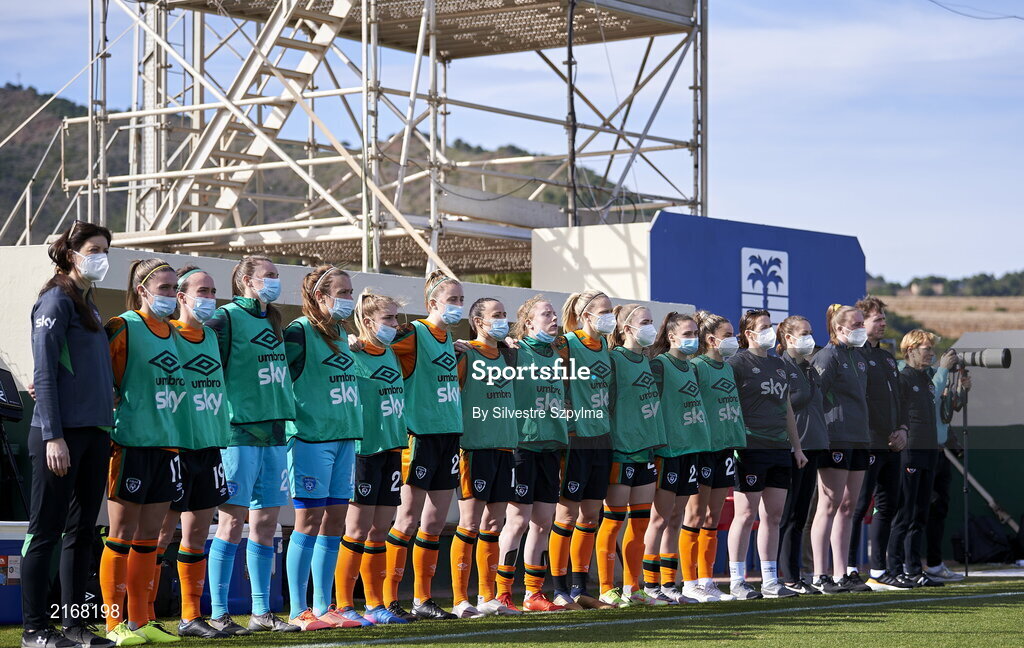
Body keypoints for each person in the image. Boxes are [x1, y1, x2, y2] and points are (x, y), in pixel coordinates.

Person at [22, 221, 115, 648]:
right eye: (94, 248)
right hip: (58, 436)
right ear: (71, 252)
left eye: (105, 248)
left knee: (81, 533)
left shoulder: (88, 303)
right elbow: (42, 372)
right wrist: (54, 436)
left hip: (94, 433)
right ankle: (34, 629)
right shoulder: (56, 299)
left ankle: (75, 626)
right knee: (45, 532)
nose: (101, 255)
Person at [206, 256, 298, 634]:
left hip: (276, 433)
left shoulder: (274, 319)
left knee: (267, 524)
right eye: (269, 276)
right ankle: (219, 613)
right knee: (230, 524)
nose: (275, 281)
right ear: (246, 280)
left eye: (277, 275)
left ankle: (261, 612)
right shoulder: (225, 318)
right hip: (239, 433)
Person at [100, 259, 187, 645]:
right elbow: (98, 376)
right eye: (165, 288)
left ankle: (141, 620)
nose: (170, 295)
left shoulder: (176, 333)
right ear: (142, 290)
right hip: (131, 443)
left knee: (151, 537)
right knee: (120, 534)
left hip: (168, 444)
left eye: (174, 288)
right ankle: (113, 624)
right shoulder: (123, 326)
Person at [151, 266, 232, 639]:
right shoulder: (167, 335)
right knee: (161, 533)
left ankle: (190, 617)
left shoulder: (213, 337)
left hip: (209, 446)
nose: (210, 298)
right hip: (177, 446)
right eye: (203, 290)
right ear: (181, 297)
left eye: (214, 291)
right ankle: (143, 614)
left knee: (197, 534)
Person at [283, 266, 363, 630]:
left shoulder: (343, 333)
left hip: (345, 436)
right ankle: (298, 610)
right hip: (311, 438)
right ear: (320, 296)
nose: (349, 298)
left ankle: (322, 605)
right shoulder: (298, 332)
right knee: (308, 520)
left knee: (334, 521)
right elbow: (275, 376)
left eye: (350, 292)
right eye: (342, 292)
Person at [383, 270, 465, 620]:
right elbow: (378, 343)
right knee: (407, 517)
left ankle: (423, 598)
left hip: (449, 435)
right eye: (453, 301)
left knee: (434, 520)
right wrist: (357, 340)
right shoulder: (414, 333)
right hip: (419, 436)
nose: (458, 307)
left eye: (461, 300)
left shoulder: (451, 341)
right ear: (432, 303)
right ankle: (387, 598)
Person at [483, 296, 569, 612]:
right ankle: (503, 592)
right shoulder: (515, 352)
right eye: (546, 314)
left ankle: (533, 593)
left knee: (544, 522)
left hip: (550, 445)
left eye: (554, 313)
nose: (553, 317)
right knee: (518, 520)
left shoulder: (557, 354)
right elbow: (483, 352)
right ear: (529, 322)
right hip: (523, 445)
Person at [726, 309, 807, 600]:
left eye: (770, 326)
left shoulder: (779, 364)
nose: (769, 331)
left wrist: (796, 447)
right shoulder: (737, 363)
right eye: (764, 326)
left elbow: (787, 409)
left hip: (779, 447)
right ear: (748, 333)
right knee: (746, 514)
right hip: (750, 446)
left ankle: (770, 580)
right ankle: (737, 580)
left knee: (773, 515)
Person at [449, 298, 519, 618]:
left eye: (505, 315)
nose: (503, 320)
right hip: (474, 448)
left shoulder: (508, 355)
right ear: (478, 322)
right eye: (496, 316)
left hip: (505, 446)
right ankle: (460, 599)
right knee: (470, 523)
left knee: (494, 523)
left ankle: (487, 596)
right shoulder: (465, 354)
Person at [547, 290, 617, 610]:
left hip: (602, 438)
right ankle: (558, 589)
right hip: (576, 439)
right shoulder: (567, 344)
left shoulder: (604, 345)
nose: (609, 316)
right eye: (604, 311)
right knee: (567, 513)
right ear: (586, 315)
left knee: (590, 516)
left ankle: (579, 589)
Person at [346, 290, 412, 624]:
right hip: (365, 450)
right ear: (368, 320)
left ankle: (376, 605)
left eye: (396, 318)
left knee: (380, 530)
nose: (395, 325)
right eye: (388, 318)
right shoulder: (352, 351)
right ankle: (344, 605)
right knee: (356, 529)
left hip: (391, 447)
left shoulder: (391, 352)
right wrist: (351, 341)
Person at [596, 304, 668, 607]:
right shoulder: (614, 359)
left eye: (652, 321)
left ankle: (633, 587)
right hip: (621, 450)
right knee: (613, 521)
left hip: (645, 451)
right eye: (645, 322)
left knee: (640, 523)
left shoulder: (648, 361)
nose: (651, 327)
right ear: (626, 328)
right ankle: (605, 587)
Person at [644, 312, 712, 603]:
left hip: (690, 449)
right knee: (658, 519)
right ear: (671, 337)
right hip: (668, 450)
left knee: (676, 518)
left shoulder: (692, 368)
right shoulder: (660, 365)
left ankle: (671, 584)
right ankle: (649, 584)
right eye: (686, 334)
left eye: (694, 333)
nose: (692, 339)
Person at [808, 304, 872, 594]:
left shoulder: (859, 356)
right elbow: (815, 397)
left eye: (862, 323)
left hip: (859, 437)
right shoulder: (828, 356)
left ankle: (841, 571)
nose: (862, 328)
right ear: (839, 328)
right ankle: (820, 574)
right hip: (836, 438)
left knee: (849, 506)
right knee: (829, 504)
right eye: (857, 324)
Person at [684, 311, 747, 603]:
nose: (734, 339)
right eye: (728, 334)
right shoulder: (696, 367)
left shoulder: (730, 368)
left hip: (725, 448)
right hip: (702, 449)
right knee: (695, 515)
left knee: (714, 516)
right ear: (710, 339)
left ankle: (707, 581)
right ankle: (689, 581)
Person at [849, 297, 910, 591]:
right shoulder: (854, 356)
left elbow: (898, 399)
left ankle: (878, 570)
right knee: (858, 506)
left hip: (893, 444)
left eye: (884, 318)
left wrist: (902, 429)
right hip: (867, 443)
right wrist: (881, 432)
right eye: (877, 319)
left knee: (888, 505)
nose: (883, 323)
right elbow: (860, 402)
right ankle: (847, 569)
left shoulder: (887, 358)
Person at [887, 330, 947, 588]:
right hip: (910, 450)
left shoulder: (927, 379)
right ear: (910, 349)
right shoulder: (902, 378)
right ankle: (894, 567)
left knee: (921, 512)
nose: (931, 353)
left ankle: (914, 569)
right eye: (926, 348)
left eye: (932, 349)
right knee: (905, 512)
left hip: (929, 450)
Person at [776, 315, 830, 594]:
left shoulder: (808, 368)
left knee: (800, 516)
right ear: (788, 338)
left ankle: (796, 574)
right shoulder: (782, 367)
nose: (810, 337)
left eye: (811, 331)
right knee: (787, 516)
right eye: (805, 333)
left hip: (813, 446)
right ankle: (786, 576)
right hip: (792, 447)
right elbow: (786, 405)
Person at [924, 361, 970, 582]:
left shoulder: (936, 375)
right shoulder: (907, 371)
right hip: (919, 450)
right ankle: (902, 564)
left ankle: (934, 563)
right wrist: (942, 371)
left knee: (939, 508)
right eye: (927, 349)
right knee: (912, 510)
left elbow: (949, 409)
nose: (932, 355)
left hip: (940, 451)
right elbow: (928, 400)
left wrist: (961, 389)